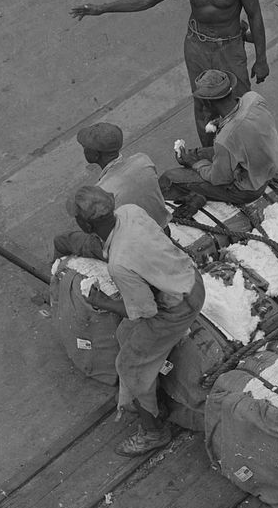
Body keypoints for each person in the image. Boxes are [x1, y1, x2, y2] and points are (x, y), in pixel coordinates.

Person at [71, 0, 269, 144]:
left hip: (229, 47)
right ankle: (211, 155)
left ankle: (248, 152)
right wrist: (102, 9)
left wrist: (261, 59)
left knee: (239, 101)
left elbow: (255, 14)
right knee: (203, 104)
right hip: (197, 46)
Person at [71, 186, 205, 456]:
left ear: (85, 224)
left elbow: (145, 311)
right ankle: (152, 396)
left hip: (175, 309)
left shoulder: (118, 263)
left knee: (129, 366)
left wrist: (101, 302)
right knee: (124, 334)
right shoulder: (130, 212)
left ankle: (154, 432)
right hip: (192, 280)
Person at [159, 69, 278, 207]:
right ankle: (193, 166)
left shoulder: (225, 138)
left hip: (248, 189)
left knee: (170, 177)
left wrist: (194, 164)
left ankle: (191, 199)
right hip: (266, 165)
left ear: (207, 103)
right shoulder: (253, 98)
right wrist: (222, 122)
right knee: (197, 154)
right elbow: (245, 124)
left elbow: (219, 178)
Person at [53, 121, 169, 260]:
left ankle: (54, 275)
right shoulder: (143, 160)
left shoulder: (102, 192)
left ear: (95, 155)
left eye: (85, 148)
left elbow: (100, 230)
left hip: (135, 250)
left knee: (62, 240)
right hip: (164, 230)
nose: (84, 149)